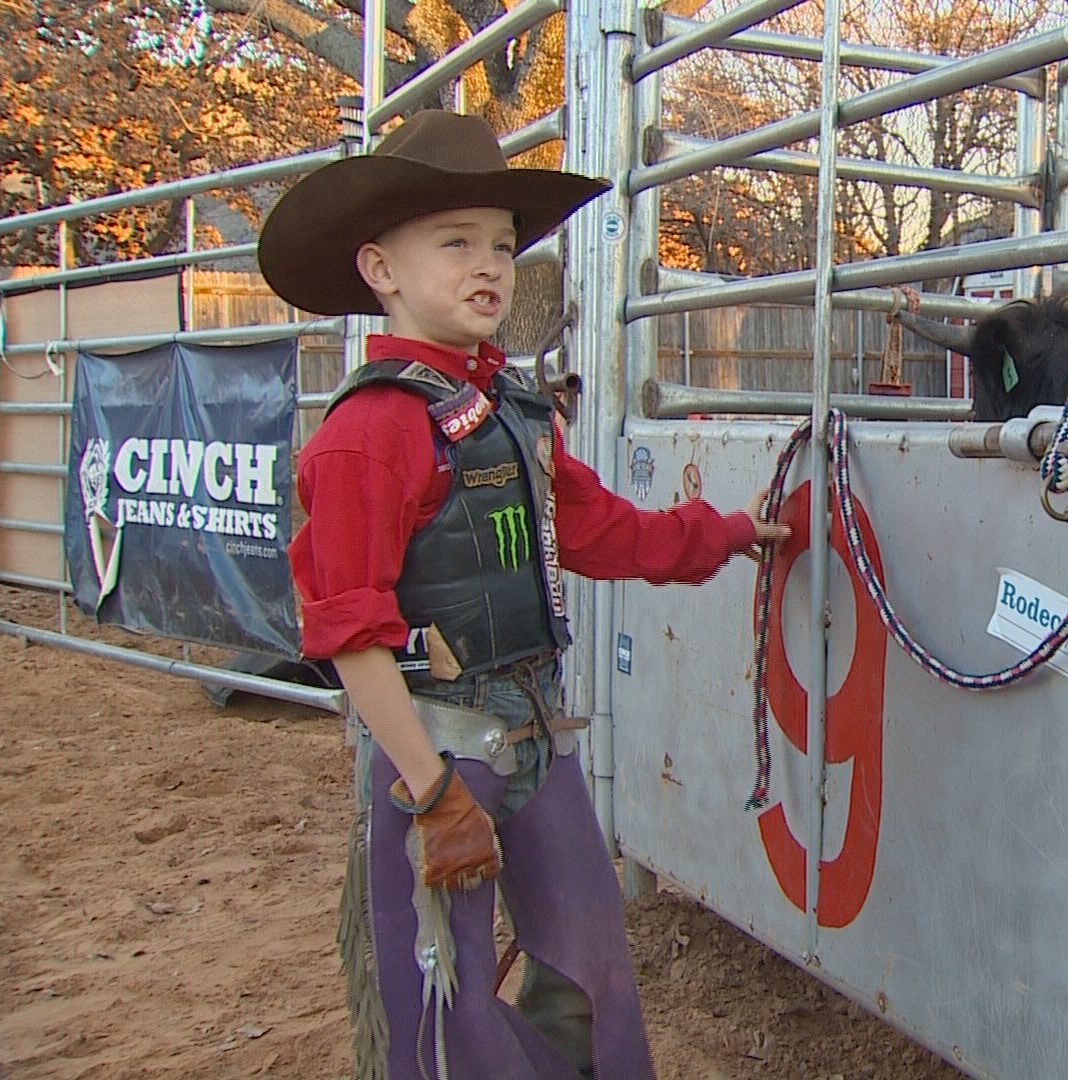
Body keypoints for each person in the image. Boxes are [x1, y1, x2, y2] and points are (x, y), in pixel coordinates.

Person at [258, 109, 788, 1080]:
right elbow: (350, 631)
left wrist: (723, 534)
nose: (489, 265)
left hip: (535, 730)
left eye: (502, 243)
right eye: (455, 242)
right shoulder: (366, 435)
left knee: (593, 975)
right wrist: (429, 792)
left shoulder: (509, 414)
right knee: (441, 1000)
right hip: (439, 746)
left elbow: (599, 530)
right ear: (381, 268)